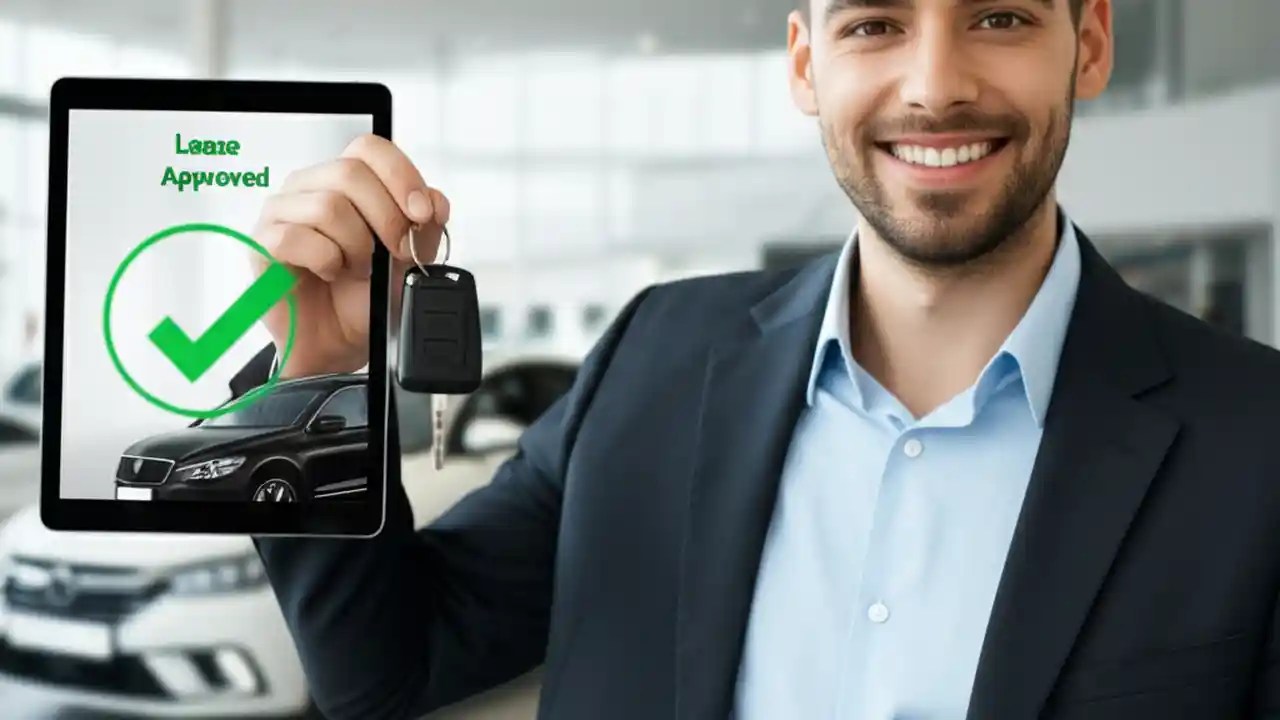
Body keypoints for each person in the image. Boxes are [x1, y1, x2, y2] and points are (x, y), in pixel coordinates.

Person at [236, 0, 1280, 718]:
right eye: (874, 22)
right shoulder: (653, 359)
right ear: (802, 65)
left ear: (1087, 44)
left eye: (997, 17)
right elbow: (382, 667)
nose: (934, 85)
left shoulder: (1255, 444)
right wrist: (311, 380)